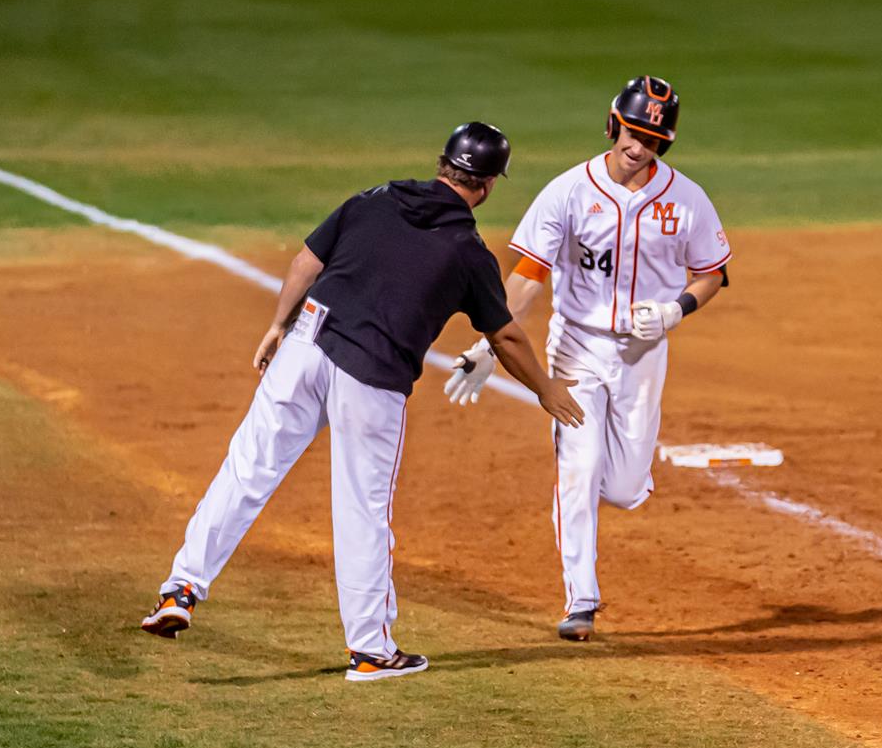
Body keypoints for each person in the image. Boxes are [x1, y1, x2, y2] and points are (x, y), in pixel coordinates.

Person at [141, 122, 584, 680]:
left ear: (443, 163)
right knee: (362, 509)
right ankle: (371, 650)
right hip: (371, 377)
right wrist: (545, 389)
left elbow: (308, 260)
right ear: (490, 184)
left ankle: (179, 589)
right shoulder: (468, 251)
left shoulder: (375, 198)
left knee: (247, 469)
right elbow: (507, 336)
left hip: (306, 343)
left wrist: (277, 326)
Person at [444, 78, 731, 641]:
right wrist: (488, 342)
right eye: (632, 131)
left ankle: (604, 480)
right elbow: (528, 277)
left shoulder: (686, 198)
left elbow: (712, 273)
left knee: (622, 487)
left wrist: (675, 311)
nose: (638, 145)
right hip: (576, 347)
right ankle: (581, 598)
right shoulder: (568, 192)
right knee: (577, 465)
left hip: (644, 353)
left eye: (651, 137)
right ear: (613, 124)